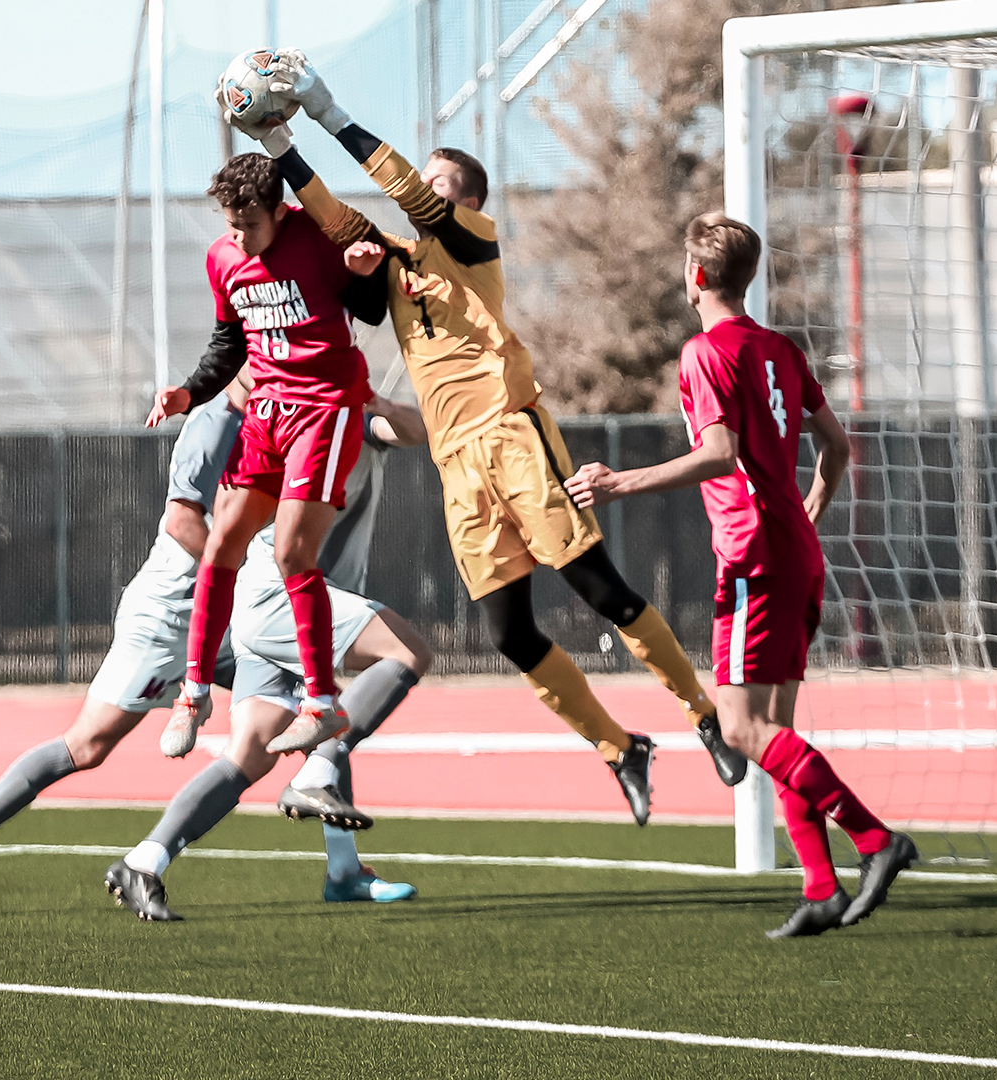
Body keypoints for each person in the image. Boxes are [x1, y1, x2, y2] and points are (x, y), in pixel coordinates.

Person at [216, 52, 747, 829]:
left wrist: (330, 114)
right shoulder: (396, 262)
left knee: (600, 590)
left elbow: (400, 189)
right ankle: (619, 747)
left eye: (435, 182)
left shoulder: (473, 242)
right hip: (456, 462)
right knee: (510, 632)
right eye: (423, 180)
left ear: (463, 201)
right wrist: (279, 144)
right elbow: (333, 216)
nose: (417, 188)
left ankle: (703, 715)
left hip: (511, 434)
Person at [0, 379, 419, 916]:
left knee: (306, 708)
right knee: (87, 746)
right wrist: (247, 572)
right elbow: (182, 522)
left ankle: (341, 867)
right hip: (170, 618)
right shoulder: (213, 423)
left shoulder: (293, 414)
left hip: (228, 614)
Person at [566, 212, 919, 938]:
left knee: (740, 727)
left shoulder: (704, 353)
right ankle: (820, 886)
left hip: (754, 553)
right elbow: (838, 446)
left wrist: (618, 483)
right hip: (791, 544)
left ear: (696, 277)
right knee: (775, 729)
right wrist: (808, 510)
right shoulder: (779, 348)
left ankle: (876, 839)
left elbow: (720, 453)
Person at [106, 395, 434, 922]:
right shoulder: (327, 411)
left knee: (249, 754)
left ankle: (145, 860)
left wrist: (376, 401)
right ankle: (319, 778)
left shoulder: (317, 411)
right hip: (285, 601)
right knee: (405, 652)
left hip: (261, 603)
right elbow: (424, 432)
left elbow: (415, 430)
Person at [145, 152, 389, 763]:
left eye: (250, 224)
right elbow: (229, 344)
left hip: (324, 410)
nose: (239, 236)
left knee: (289, 553)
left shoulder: (319, 235)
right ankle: (193, 693)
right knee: (224, 538)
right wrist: (189, 392)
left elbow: (373, 309)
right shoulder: (223, 256)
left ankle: (322, 702)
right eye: (231, 224)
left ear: (283, 211)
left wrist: (361, 273)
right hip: (266, 414)